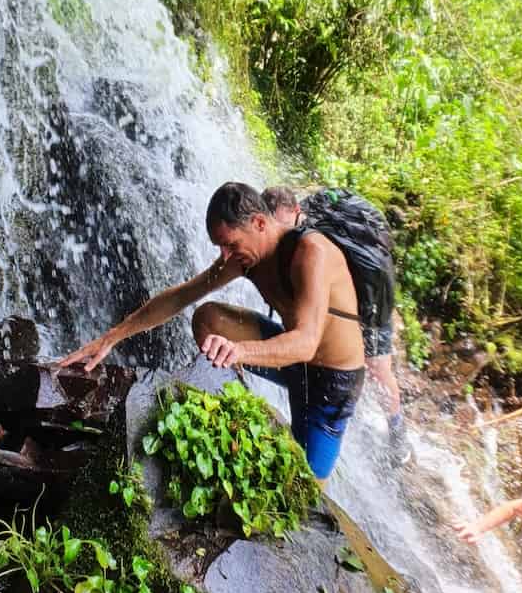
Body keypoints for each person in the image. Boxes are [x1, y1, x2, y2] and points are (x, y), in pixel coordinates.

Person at [59, 181, 365, 481]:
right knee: (208, 318)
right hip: (289, 360)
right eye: (220, 247)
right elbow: (182, 296)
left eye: (231, 244)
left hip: (331, 380)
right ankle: (235, 412)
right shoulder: (245, 257)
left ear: (259, 223)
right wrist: (112, 336)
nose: (225, 256)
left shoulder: (311, 252)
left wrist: (240, 351)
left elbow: (306, 343)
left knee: (305, 482)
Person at [261, 185, 413, 466]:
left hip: (369, 305)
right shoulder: (293, 238)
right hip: (340, 310)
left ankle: (397, 430)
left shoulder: (316, 240)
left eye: (285, 225)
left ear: (297, 211)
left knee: (378, 368)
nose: (281, 234)